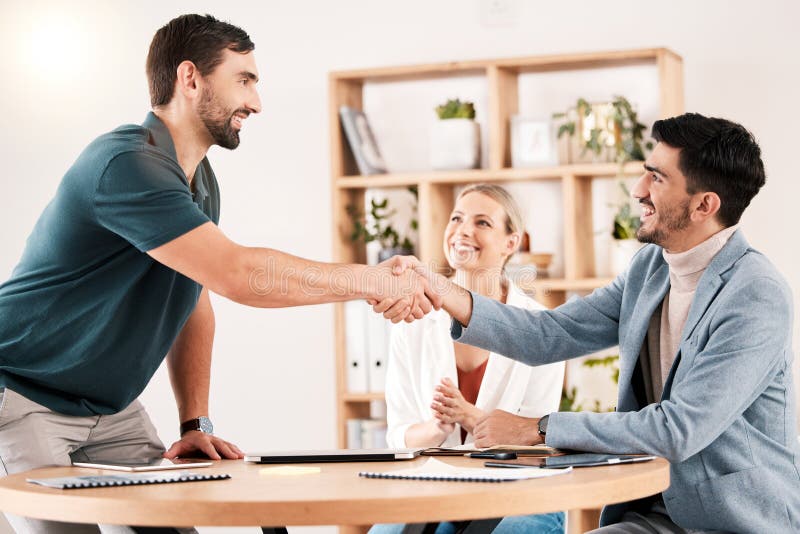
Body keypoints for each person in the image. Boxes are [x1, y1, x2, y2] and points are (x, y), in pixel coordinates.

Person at [0, 14, 436, 534]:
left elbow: (193, 299)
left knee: (174, 525)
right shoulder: (126, 163)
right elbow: (238, 274)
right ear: (190, 79)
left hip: (110, 410)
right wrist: (373, 280)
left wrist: (195, 422)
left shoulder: (199, 180)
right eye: (244, 80)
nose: (256, 102)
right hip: (24, 396)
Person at [376, 113, 800, 533]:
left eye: (656, 178)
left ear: (704, 205)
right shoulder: (650, 268)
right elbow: (548, 334)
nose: (638, 191)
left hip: (734, 520)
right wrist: (440, 289)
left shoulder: (755, 294)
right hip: (655, 515)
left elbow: (678, 429)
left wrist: (538, 429)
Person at [371, 184, 565, 534]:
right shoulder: (413, 322)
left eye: (482, 223)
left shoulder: (541, 329)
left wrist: (472, 418)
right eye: (456, 218)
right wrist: (437, 428)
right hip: (434, 493)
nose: (463, 231)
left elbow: (541, 443)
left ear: (511, 243)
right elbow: (398, 438)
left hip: (521, 494)